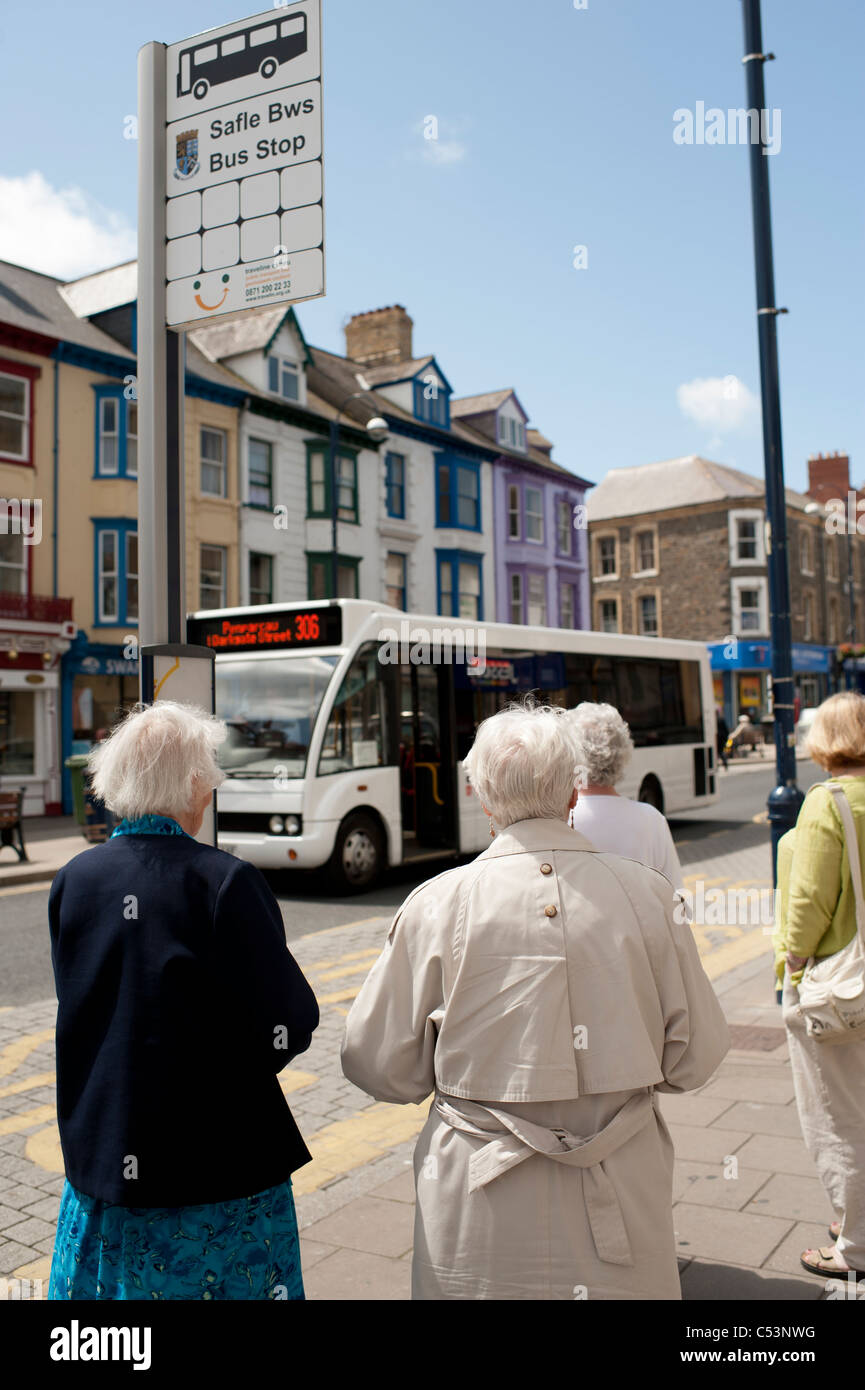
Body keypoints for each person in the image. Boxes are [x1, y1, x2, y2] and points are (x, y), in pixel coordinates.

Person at [341, 701, 729, 1300]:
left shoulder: (435, 904)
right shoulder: (650, 897)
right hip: (620, 1183)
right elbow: (697, 1055)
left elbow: (378, 1065)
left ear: (481, 797)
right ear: (573, 794)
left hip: (479, 1199)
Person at [47, 701, 319, 1301]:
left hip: (105, 1166)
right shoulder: (224, 881)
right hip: (217, 1178)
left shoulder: (75, 879)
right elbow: (290, 1020)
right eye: (209, 779)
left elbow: (88, 1004)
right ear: (194, 784)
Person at [773, 691, 865, 1282]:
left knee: (839, 1117)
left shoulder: (827, 802)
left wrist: (794, 970)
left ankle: (853, 1246)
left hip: (841, 992)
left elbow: (805, 904)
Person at [567, 702, 684, 891]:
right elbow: (677, 902)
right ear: (622, 753)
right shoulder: (652, 819)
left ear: (570, 756)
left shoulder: (561, 820)